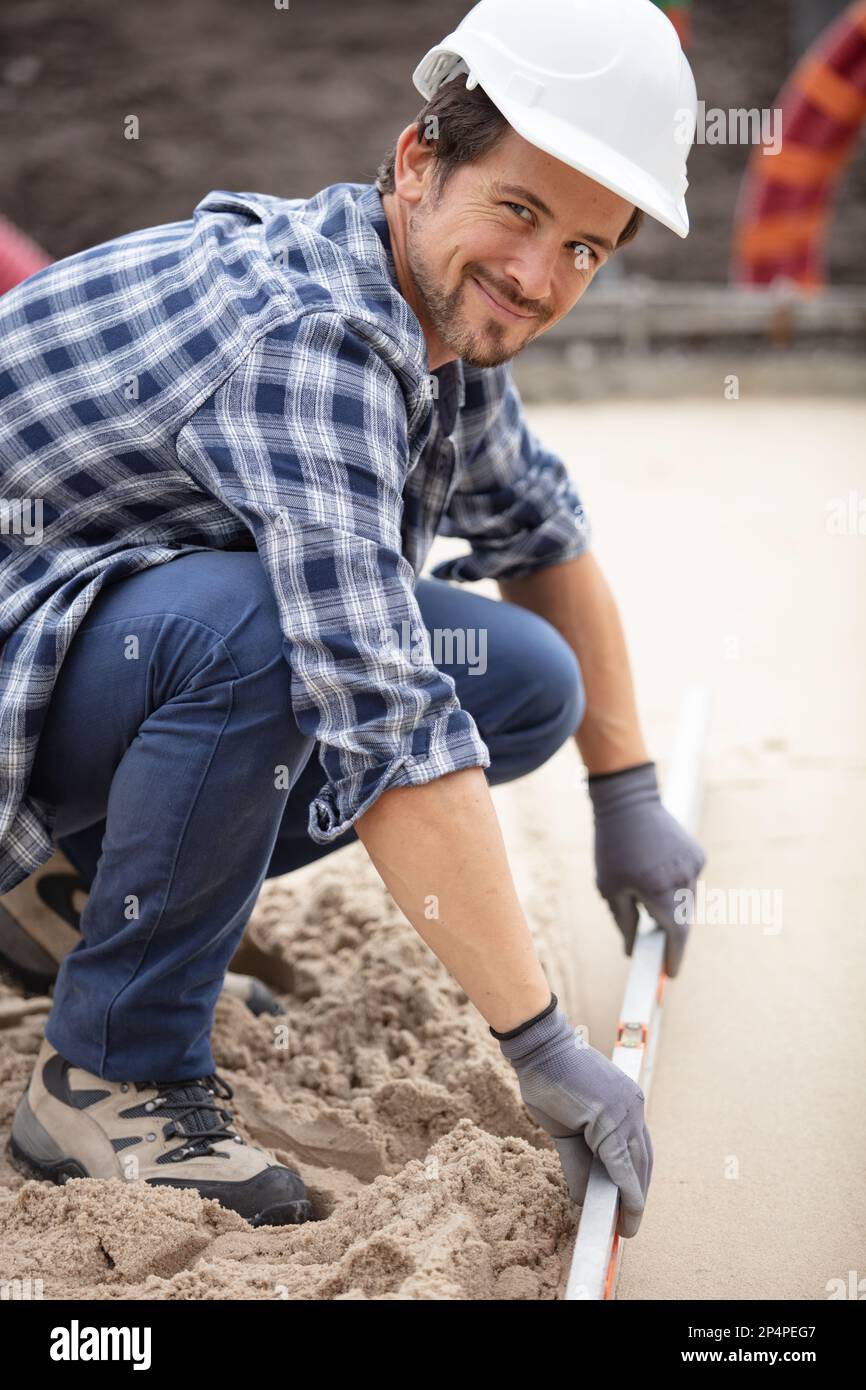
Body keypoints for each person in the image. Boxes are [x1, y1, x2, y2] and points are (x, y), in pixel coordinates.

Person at [0, 0, 704, 1235]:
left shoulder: (434, 312)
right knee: (265, 636)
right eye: (520, 212)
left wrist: (626, 790)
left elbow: (538, 532)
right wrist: (537, 1041)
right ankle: (110, 1070)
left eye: (585, 250)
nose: (538, 279)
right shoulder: (312, 337)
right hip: (26, 645)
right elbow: (376, 706)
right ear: (418, 160)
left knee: (521, 675)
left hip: (63, 638)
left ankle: (65, 891)